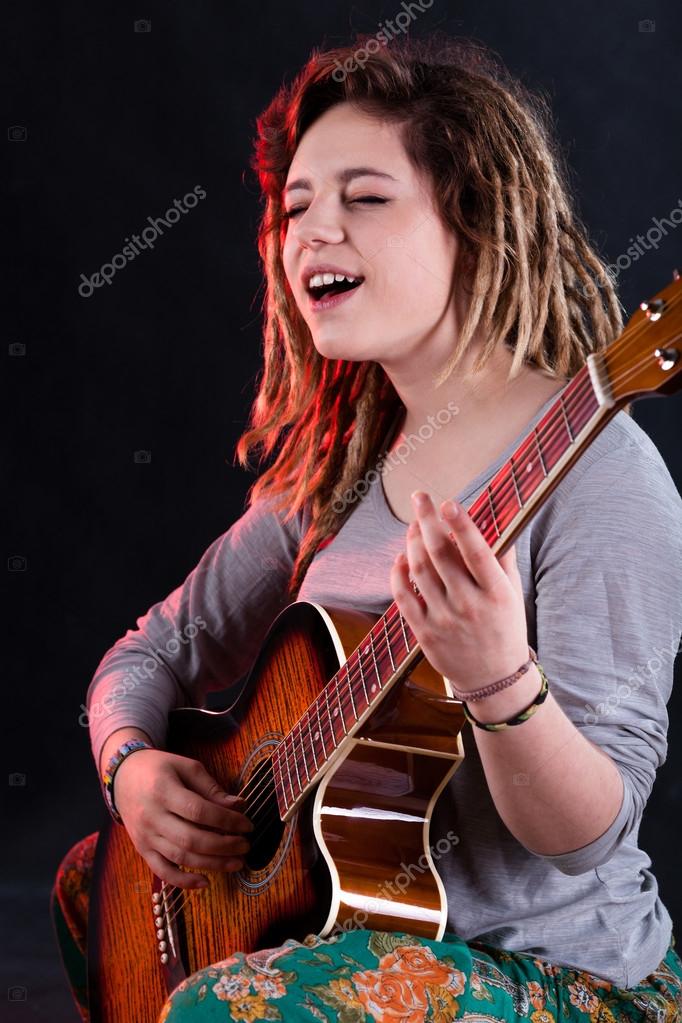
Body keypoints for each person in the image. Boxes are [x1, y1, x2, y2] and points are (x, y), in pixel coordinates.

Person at [51, 32, 682, 1023]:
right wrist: (130, 766)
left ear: (472, 221)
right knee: (102, 889)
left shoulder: (601, 474)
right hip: (350, 935)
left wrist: (495, 677)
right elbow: (151, 652)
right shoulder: (343, 468)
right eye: (295, 207)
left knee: (228, 1008)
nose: (312, 232)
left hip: (560, 978)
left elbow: (585, 839)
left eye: (365, 198)